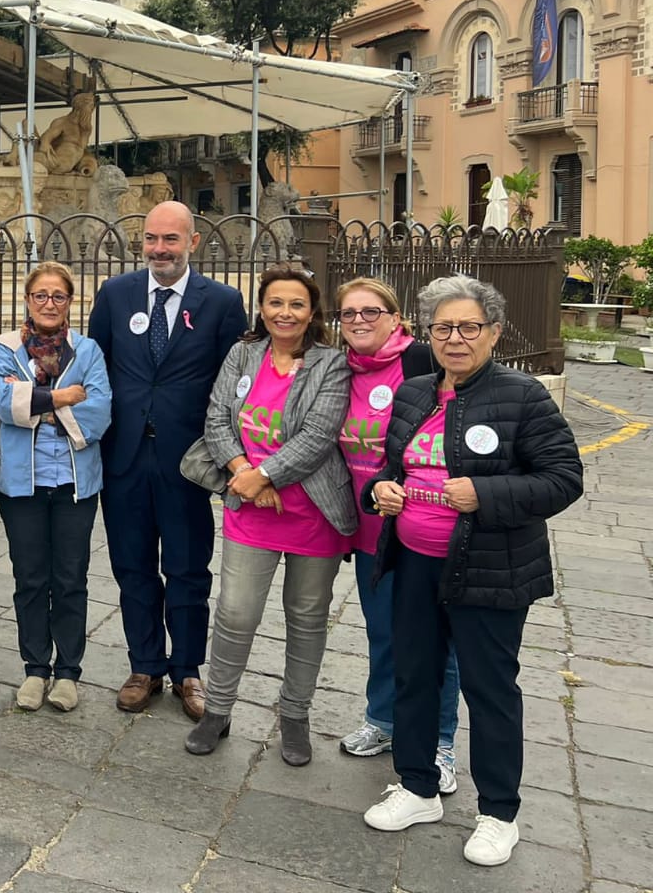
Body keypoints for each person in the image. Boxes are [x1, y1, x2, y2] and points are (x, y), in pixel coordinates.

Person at [363, 276, 582, 868]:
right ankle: (416, 786)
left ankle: (498, 814)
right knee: (414, 676)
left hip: (491, 571)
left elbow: (564, 479)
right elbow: (390, 469)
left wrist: (483, 493)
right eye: (442, 327)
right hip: (413, 566)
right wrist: (381, 491)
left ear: (493, 332)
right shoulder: (414, 394)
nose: (455, 338)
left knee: (489, 690)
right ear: (427, 333)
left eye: (468, 327)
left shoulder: (523, 397)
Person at [188, 266, 353, 766]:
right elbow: (217, 418)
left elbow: (320, 436)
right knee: (235, 613)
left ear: (312, 312)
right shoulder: (243, 354)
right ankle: (217, 710)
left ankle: (296, 716)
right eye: (276, 303)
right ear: (261, 308)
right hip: (249, 507)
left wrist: (266, 476)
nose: (285, 313)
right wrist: (244, 474)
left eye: (296, 304)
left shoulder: (331, 364)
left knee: (306, 619)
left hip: (312, 513)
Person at [88, 201, 246, 720]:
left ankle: (188, 672)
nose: (160, 249)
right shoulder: (115, 295)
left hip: (189, 461)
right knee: (131, 566)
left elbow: (232, 386)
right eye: (152, 239)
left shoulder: (222, 303)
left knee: (187, 567)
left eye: (170, 240)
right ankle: (144, 666)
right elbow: (96, 366)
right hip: (125, 456)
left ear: (192, 243)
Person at [335, 277, 461, 793]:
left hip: (419, 526)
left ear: (395, 318)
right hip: (366, 525)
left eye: (371, 311)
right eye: (348, 314)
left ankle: (440, 742)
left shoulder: (420, 364)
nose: (359, 321)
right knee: (382, 628)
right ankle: (384, 720)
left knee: (435, 640)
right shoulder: (339, 368)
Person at [0, 261, 112, 713]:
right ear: (27, 299)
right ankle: (35, 668)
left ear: (70, 302)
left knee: (71, 577)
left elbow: (99, 411)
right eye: (41, 295)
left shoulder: (89, 351)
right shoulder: (3, 349)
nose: (49, 303)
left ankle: (68, 673)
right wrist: (61, 397)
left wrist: (33, 402)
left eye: (58, 296)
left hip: (76, 482)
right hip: (22, 483)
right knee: (30, 577)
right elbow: (4, 404)